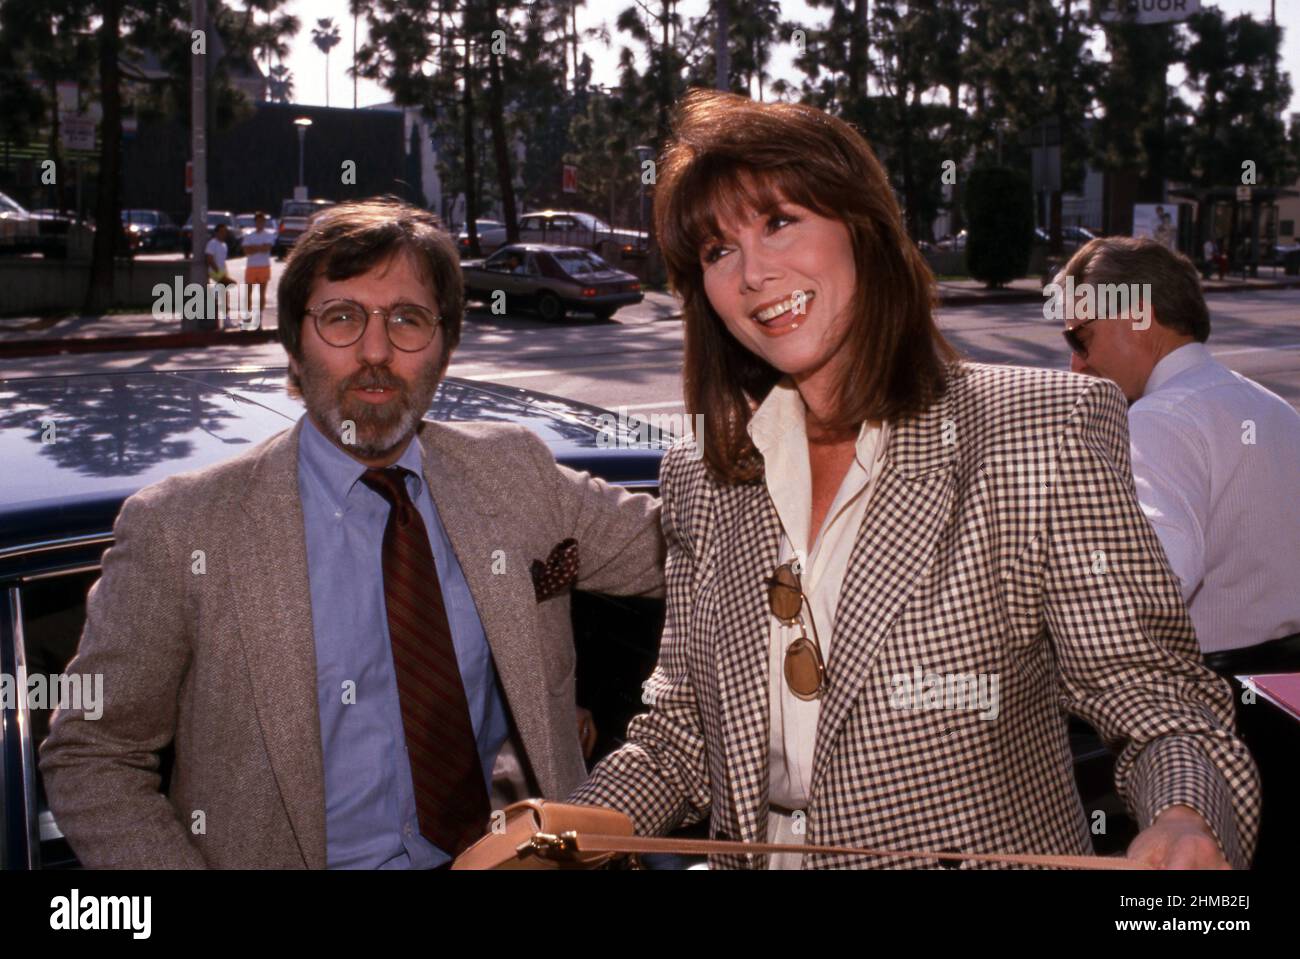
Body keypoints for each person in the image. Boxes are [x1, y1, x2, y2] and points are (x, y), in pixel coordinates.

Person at [563, 89, 1259, 870]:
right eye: (717, 251)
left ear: (863, 228)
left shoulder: (1038, 431)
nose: (753, 272)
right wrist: (564, 827)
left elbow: (1157, 699)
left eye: (779, 221)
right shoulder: (703, 472)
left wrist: (1184, 814)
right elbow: (682, 734)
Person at [39, 198, 665, 869]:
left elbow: (685, 545)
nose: (375, 351)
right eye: (341, 318)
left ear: (446, 347)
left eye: (407, 319)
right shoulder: (182, 528)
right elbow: (93, 751)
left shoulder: (512, 471)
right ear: (294, 344)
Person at [1059, 235, 1300, 867]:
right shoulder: (1273, 409)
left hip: (1207, 729)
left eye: (1081, 338)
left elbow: (1148, 584)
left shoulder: (1158, 420)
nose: (1076, 367)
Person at [243, 211, 276, 327]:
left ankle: (259, 317)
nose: (260, 223)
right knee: (248, 293)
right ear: (255, 222)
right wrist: (259, 247)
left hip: (263, 266)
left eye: (262, 221)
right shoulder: (249, 235)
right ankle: (247, 317)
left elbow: (266, 248)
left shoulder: (269, 234)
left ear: (264, 222)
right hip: (251, 266)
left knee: (262, 293)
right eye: (258, 221)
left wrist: (254, 248)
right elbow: (247, 251)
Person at [204, 222, 234, 325]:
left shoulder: (224, 245)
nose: (223, 234)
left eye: (225, 232)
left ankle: (226, 318)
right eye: (221, 232)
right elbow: (209, 258)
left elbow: (223, 260)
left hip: (222, 271)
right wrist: (217, 271)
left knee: (225, 293)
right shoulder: (212, 243)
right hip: (215, 272)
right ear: (216, 233)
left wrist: (225, 271)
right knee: (227, 290)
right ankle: (226, 319)